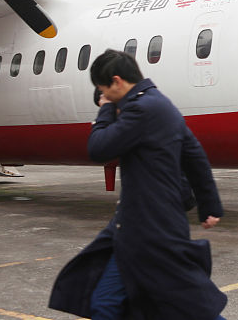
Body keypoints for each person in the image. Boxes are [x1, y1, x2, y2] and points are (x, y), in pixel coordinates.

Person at [49, 49, 227, 320]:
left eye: (104, 90)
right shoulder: (161, 104)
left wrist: (106, 109)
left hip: (152, 233)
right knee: (106, 303)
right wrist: (209, 205)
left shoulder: (142, 110)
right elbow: (195, 157)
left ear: (117, 82)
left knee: (188, 308)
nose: (105, 97)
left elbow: (99, 148)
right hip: (135, 229)